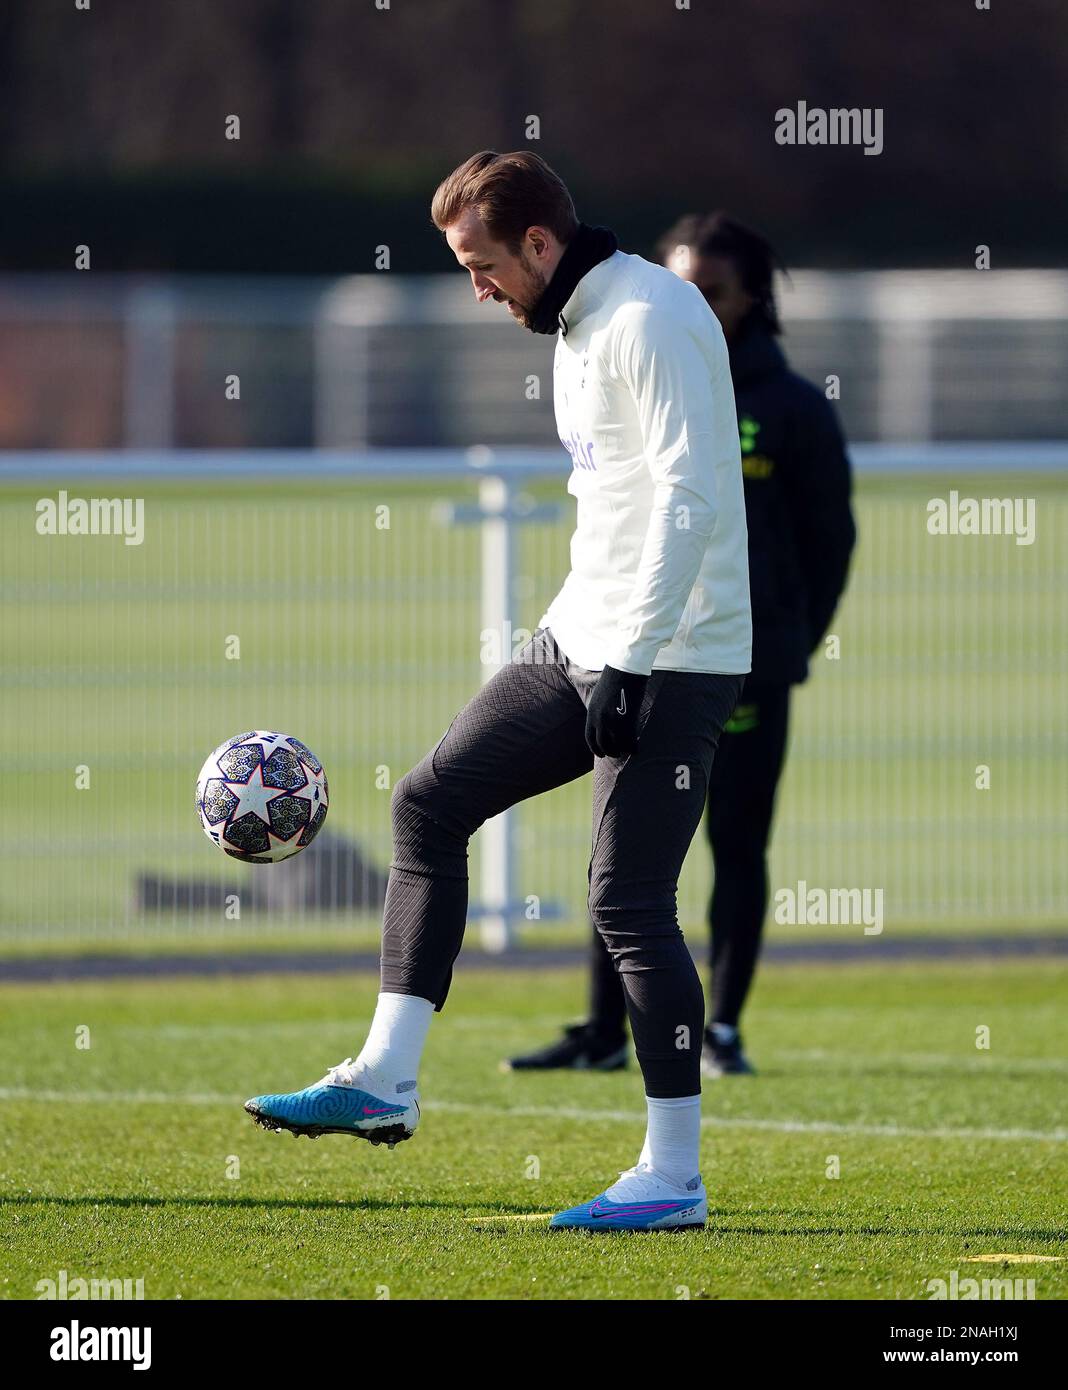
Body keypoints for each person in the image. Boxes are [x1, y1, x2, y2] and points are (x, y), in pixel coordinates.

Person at [244, 155, 752, 1231]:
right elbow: (615, 508)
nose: (477, 289)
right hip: (584, 638)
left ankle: (672, 1181)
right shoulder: (572, 325)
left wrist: (633, 657)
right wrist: (574, 639)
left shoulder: (650, 317)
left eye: (482, 266)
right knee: (429, 801)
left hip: (677, 654)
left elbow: (691, 500)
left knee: (627, 903)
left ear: (537, 243)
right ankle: (385, 1077)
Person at [506, 212, 856, 1080]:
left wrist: (788, 646)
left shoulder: (791, 409)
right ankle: (602, 1030)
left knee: (736, 843)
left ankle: (723, 1028)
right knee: (621, 853)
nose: (691, 301)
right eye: (680, 280)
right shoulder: (635, 353)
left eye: (713, 290)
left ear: (752, 299)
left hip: (740, 663)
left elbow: (829, 541)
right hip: (639, 650)